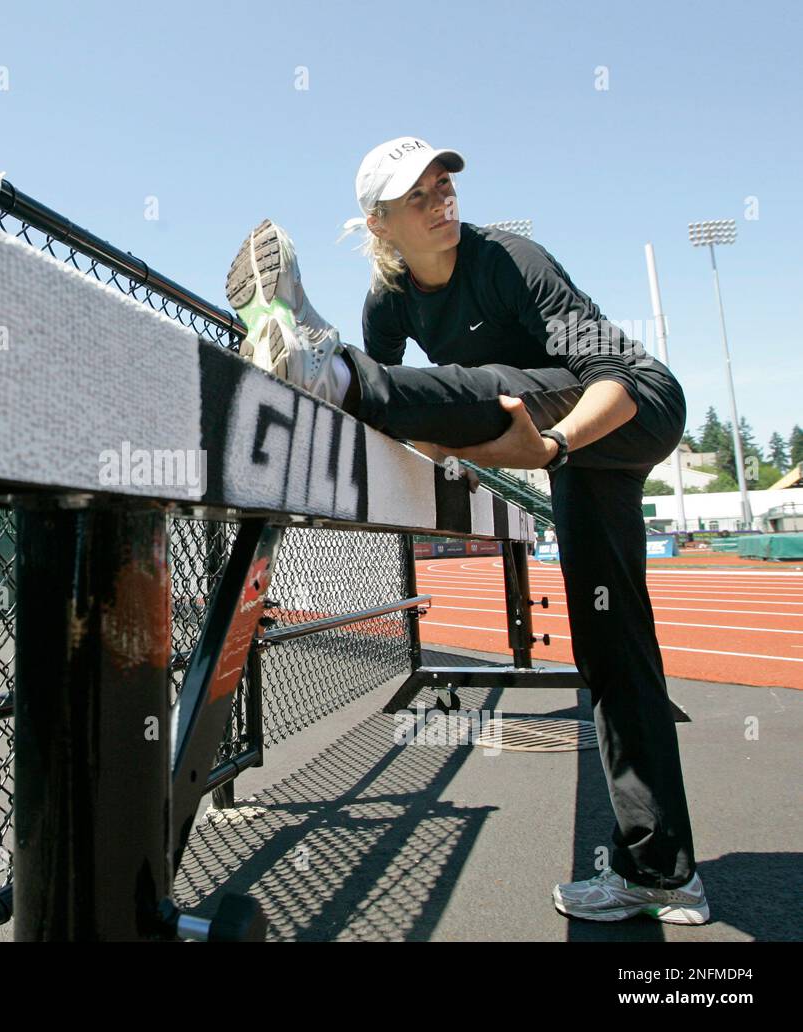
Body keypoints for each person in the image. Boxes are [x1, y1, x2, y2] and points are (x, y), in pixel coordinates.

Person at [223, 136, 709, 925]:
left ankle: (327, 364)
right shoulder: (390, 305)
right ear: (379, 225)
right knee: (612, 646)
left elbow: (619, 378)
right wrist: (459, 447)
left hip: (625, 411)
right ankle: (661, 870)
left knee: (480, 387)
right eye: (420, 197)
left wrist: (544, 448)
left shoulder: (513, 260)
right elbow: (405, 410)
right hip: (565, 455)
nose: (443, 201)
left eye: (446, 186)